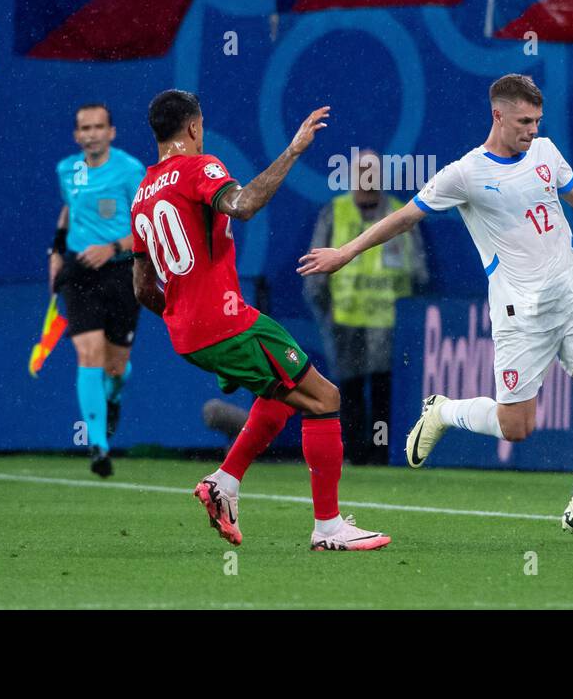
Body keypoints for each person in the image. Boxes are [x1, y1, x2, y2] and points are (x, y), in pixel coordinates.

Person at [299, 73, 573, 544]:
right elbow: (402, 219)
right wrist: (345, 252)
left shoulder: (544, 152)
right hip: (521, 315)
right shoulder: (466, 174)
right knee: (516, 426)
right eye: (524, 121)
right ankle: (443, 412)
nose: (533, 130)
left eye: (537, 121)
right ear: (497, 115)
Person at [132, 91, 390, 552]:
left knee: (281, 394)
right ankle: (328, 528)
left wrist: (185, 320)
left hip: (190, 334)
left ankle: (225, 483)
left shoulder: (141, 195)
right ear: (193, 127)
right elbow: (244, 204)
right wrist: (292, 151)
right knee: (324, 397)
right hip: (226, 322)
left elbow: (141, 287)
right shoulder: (198, 167)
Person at [303, 150, 429, 465]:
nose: (367, 179)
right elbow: (315, 272)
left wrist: (408, 321)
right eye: (362, 172)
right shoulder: (335, 212)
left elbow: (419, 274)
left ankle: (381, 452)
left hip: (389, 326)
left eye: (373, 172)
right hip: (345, 322)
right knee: (350, 393)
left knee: (386, 395)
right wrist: (327, 315)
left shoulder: (402, 215)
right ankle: (355, 454)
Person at [50, 104, 146, 478]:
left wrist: (113, 248)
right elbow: (69, 210)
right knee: (87, 352)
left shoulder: (130, 170)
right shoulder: (67, 170)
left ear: (111, 132)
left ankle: (115, 393)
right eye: (84, 128)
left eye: (98, 127)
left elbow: (146, 224)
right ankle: (98, 446)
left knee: (115, 365)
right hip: (80, 273)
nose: (91, 134)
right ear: (76, 135)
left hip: (122, 272)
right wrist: (57, 251)